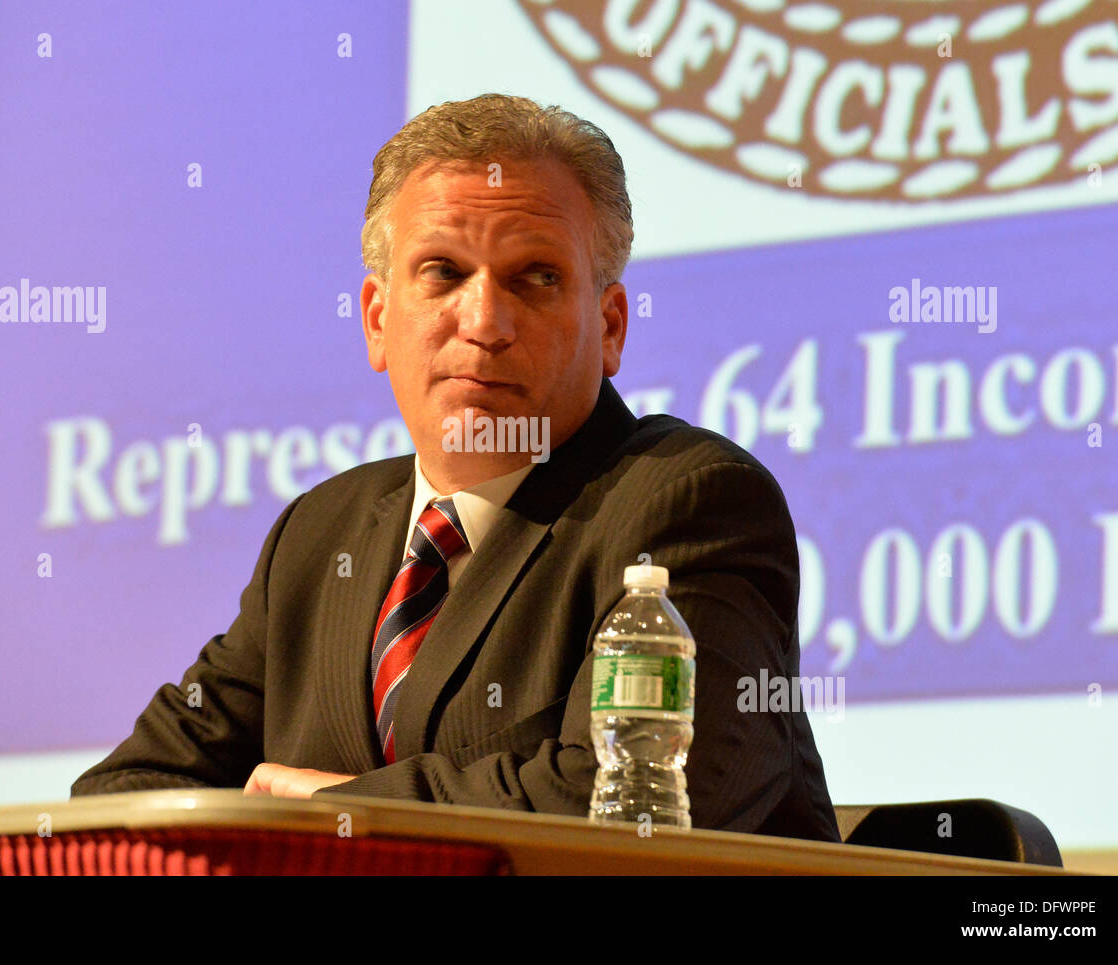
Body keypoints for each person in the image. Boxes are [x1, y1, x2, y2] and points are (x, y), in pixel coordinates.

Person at [71, 93, 841, 841]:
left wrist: (339, 813)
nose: (485, 323)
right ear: (377, 320)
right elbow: (122, 796)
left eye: (535, 277)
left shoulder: (688, 501)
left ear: (610, 328)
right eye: (443, 272)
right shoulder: (317, 534)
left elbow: (645, 805)